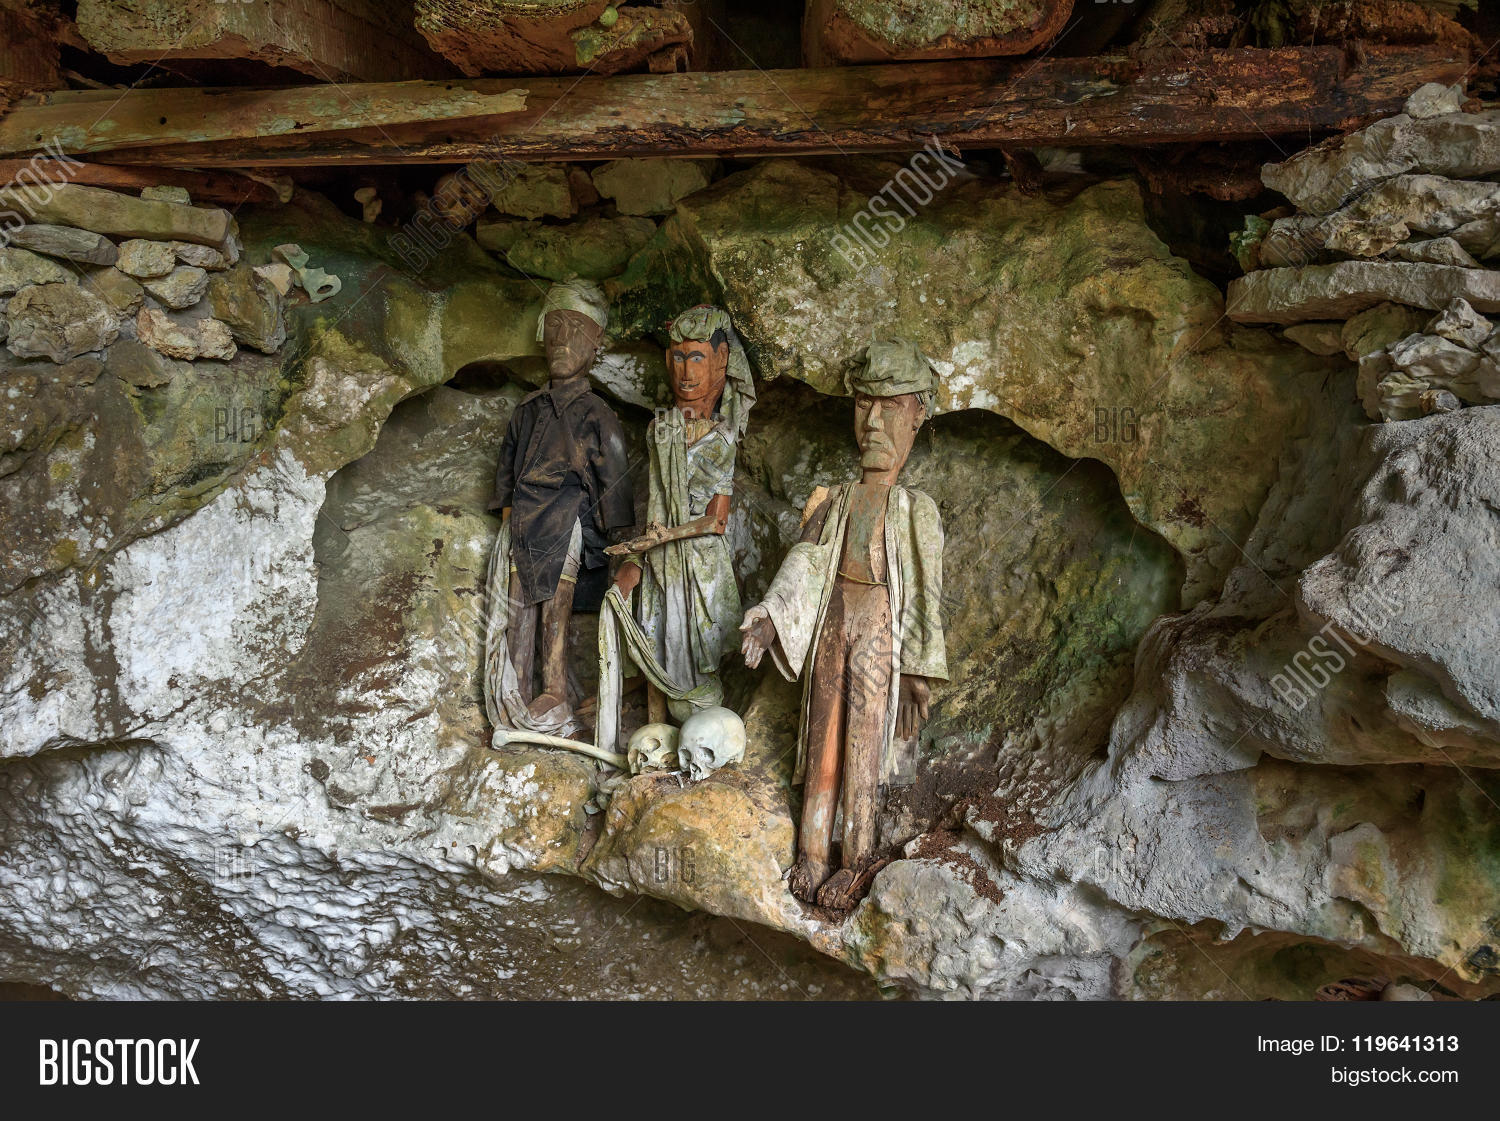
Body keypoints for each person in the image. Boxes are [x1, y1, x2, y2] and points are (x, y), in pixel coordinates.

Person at [740, 338, 946, 909]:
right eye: (863, 405)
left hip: (879, 629)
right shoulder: (832, 500)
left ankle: (856, 859)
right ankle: (810, 853)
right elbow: (803, 564)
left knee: (863, 743)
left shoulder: (915, 510)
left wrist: (916, 671)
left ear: (918, 414)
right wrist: (769, 619)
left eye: (891, 406)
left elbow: (926, 593)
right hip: (830, 623)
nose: (874, 421)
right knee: (820, 734)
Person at [483, 279, 633, 738]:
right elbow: (506, 476)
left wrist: (623, 548)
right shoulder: (527, 410)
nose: (562, 341)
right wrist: (511, 529)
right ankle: (516, 692)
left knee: (556, 607)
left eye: (575, 330)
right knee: (516, 610)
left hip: (566, 520)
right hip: (524, 524)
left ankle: (555, 691)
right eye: (554, 327)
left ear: (596, 345)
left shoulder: (599, 415)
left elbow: (616, 487)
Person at [608, 305, 755, 724]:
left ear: (721, 361)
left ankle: (700, 729)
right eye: (677, 358)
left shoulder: (723, 436)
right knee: (657, 637)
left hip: (701, 563)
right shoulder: (661, 429)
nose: (685, 373)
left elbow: (717, 520)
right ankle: (655, 729)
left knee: (698, 653)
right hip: (661, 557)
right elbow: (654, 501)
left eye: (697, 358)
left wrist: (664, 537)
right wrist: (639, 556)